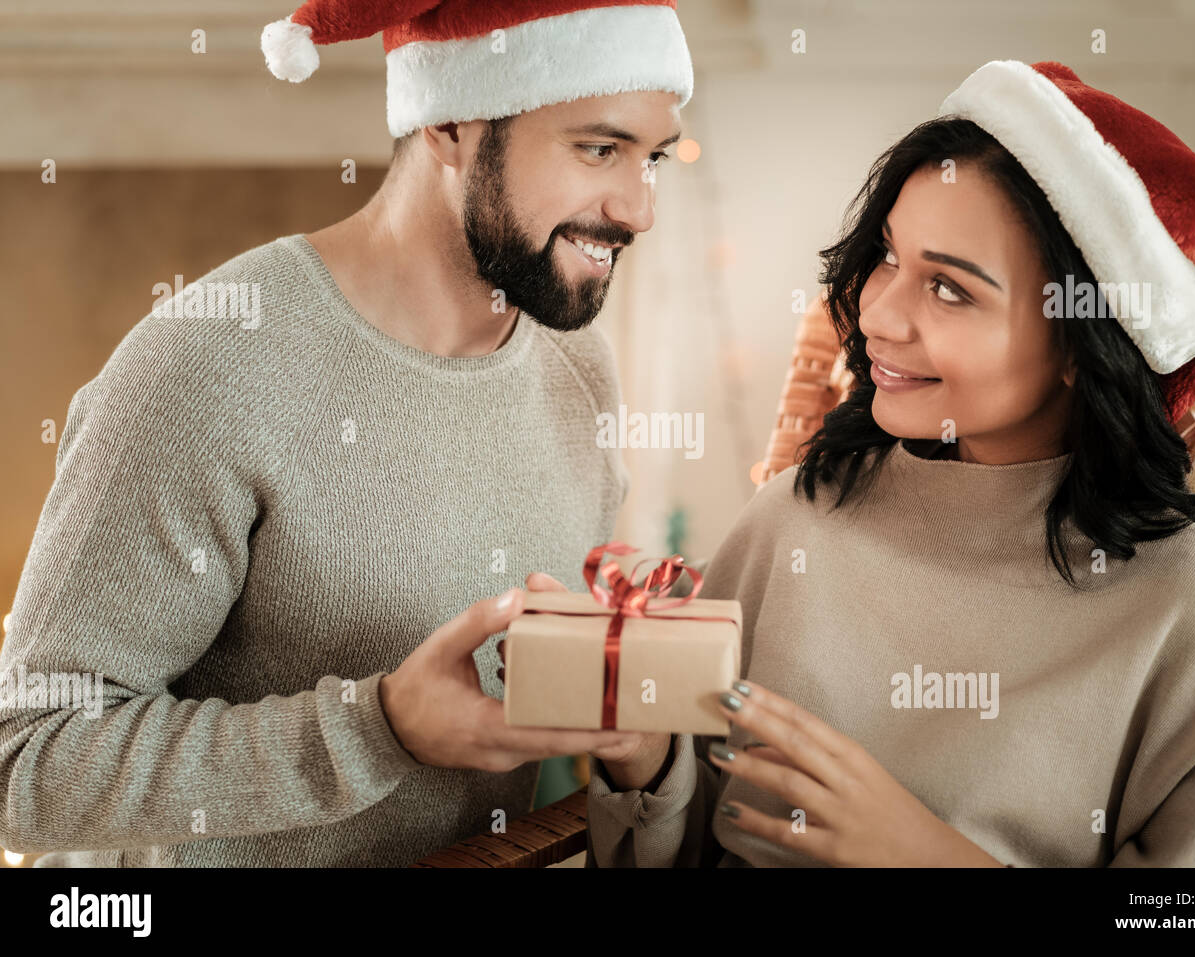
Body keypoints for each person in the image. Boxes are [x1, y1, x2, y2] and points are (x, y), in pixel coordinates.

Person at [0, 0, 692, 866]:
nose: (639, 209)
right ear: (450, 122)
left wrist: (639, 737)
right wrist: (380, 728)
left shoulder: (578, 368)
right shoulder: (206, 362)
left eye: (654, 157)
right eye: (599, 148)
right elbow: (25, 762)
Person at [583, 60, 1195, 866]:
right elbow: (678, 845)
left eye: (950, 289)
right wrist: (643, 757)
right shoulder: (793, 520)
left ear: (1080, 343)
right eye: (888, 256)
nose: (879, 313)